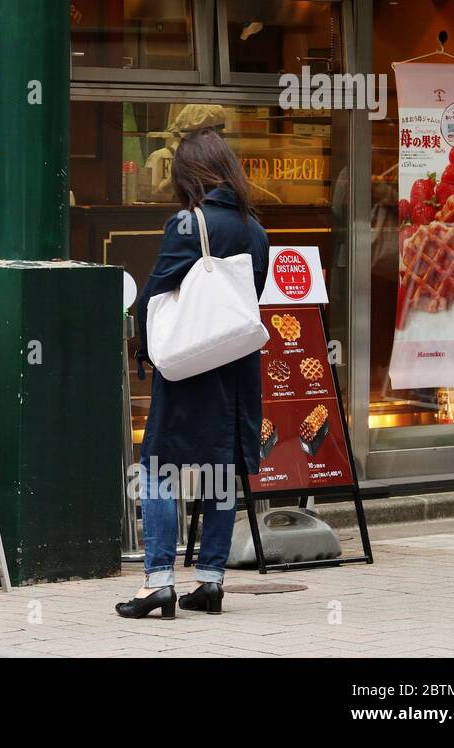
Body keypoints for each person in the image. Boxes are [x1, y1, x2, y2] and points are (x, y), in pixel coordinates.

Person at [119, 128, 269, 619]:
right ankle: (210, 582)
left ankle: (158, 582)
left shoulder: (188, 223)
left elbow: (156, 288)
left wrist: (142, 343)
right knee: (220, 470)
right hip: (237, 368)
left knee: (159, 467)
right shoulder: (255, 229)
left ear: (188, 175)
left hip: (189, 367)